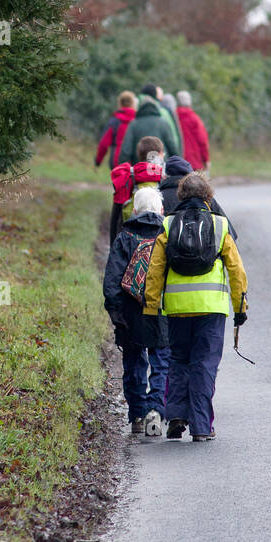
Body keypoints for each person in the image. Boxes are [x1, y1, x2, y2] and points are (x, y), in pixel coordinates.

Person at [143, 172, 248, 443]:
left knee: (177, 360)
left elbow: (154, 270)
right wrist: (240, 307)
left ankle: (176, 416)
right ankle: (201, 426)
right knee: (203, 364)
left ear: (180, 196)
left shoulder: (167, 225)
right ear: (209, 197)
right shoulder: (220, 225)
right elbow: (236, 270)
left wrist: (151, 307)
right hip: (211, 309)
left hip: (177, 308)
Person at [103, 186, 170, 441]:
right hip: (161, 307)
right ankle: (155, 408)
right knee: (161, 360)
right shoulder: (166, 234)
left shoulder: (125, 235)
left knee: (133, 362)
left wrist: (115, 310)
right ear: (161, 210)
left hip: (131, 311)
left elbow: (112, 277)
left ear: (134, 209)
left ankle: (137, 415)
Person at [158, 154, 237, 239]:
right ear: (190, 175)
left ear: (165, 175)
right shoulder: (204, 197)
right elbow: (231, 234)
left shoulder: (158, 197)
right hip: (206, 250)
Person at [109, 136, 165, 243]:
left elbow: (116, 216)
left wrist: (113, 246)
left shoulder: (128, 175)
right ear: (159, 155)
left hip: (129, 239)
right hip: (157, 241)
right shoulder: (164, 177)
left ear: (139, 155)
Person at [118, 84, 181, 163]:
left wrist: (124, 170)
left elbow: (125, 151)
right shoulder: (163, 122)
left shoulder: (134, 124)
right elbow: (173, 148)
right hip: (161, 169)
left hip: (140, 169)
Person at [94, 90, 137, 169]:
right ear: (133, 104)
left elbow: (104, 144)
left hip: (117, 161)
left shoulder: (114, 121)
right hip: (134, 161)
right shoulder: (137, 121)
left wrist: (98, 161)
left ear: (119, 103)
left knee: (118, 181)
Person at [176, 90, 210, 173]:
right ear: (190, 102)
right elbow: (202, 141)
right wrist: (206, 159)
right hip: (194, 161)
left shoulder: (174, 117)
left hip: (177, 160)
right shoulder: (194, 118)